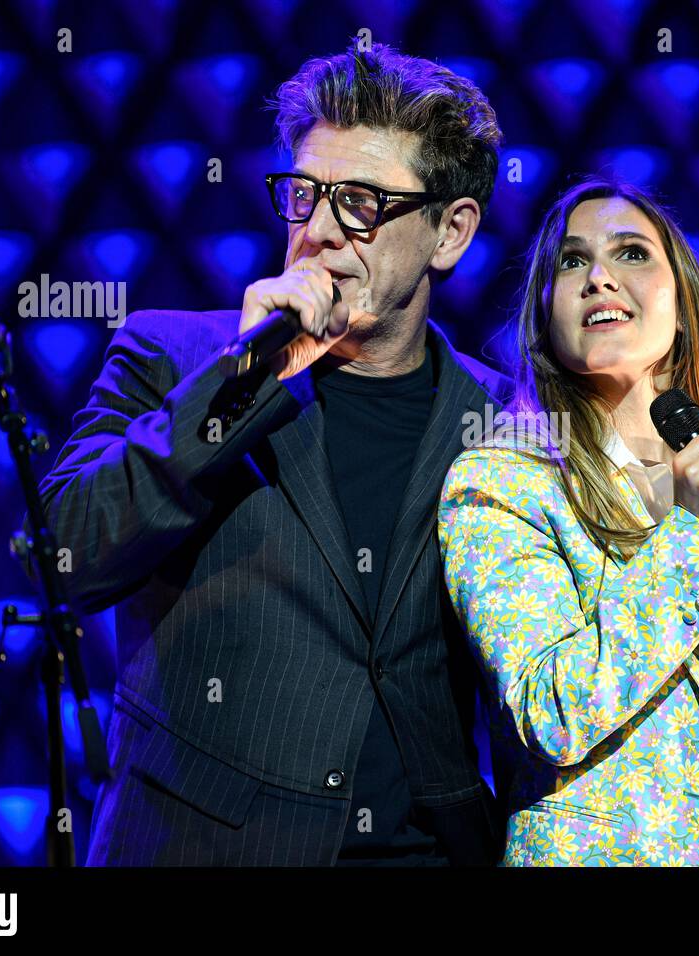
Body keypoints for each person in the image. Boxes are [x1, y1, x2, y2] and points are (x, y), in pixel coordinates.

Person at [36, 41, 510, 865]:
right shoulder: (173, 355)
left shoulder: (504, 417)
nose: (319, 232)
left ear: (451, 232)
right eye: (303, 196)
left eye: (361, 202)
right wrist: (249, 377)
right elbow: (63, 556)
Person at [437, 178, 699, 866]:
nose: (599, 276)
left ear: (682, 301)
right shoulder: (500, 481)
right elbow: (552, 710)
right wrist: (692, 533)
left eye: (630, 254)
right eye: (571, 263)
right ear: (546, 314)